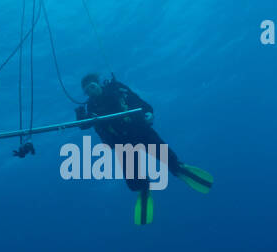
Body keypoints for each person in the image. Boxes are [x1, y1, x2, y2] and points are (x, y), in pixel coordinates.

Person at [76, 72, 213, 224]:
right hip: (122, 143)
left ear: (99, 84)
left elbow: (139, 102)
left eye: (93, 87)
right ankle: (144, 190)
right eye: (87, 91)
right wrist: (80, 118)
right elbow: (85, 125)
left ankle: (179, 169)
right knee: (135, 180)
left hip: (140, 132)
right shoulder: (91, 106)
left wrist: (149, 113)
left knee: (170, 160)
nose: (91, 92)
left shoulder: (115, 88)